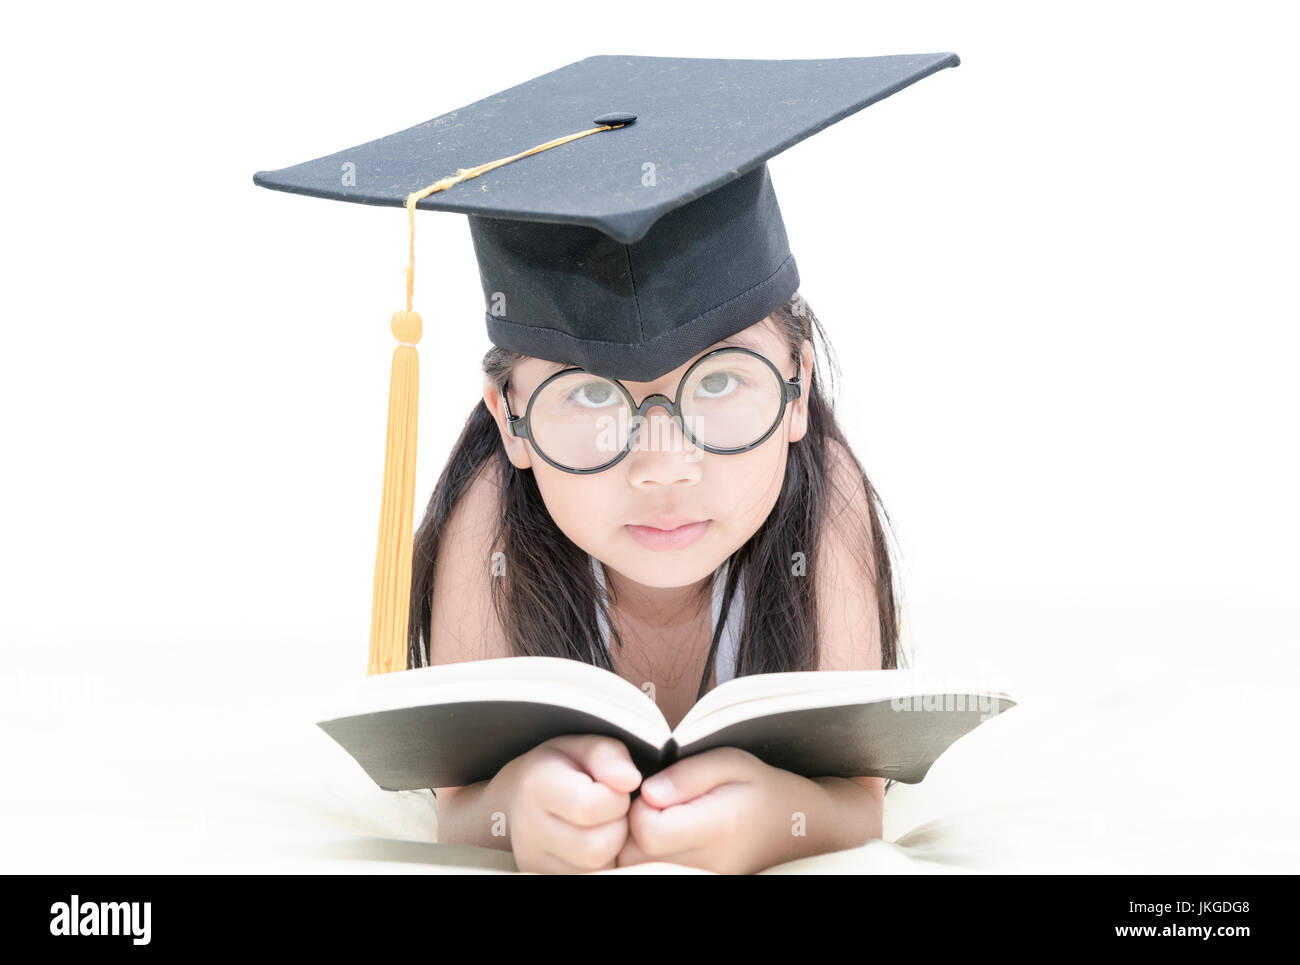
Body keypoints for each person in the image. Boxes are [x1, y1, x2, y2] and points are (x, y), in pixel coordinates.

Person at [253, 51, 959, 873]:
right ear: (510, 422)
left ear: (798, 392)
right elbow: (459, 807)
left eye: (723, 381)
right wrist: (517, 805)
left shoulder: (824, 505)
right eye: (590, 398)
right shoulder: (492, 520)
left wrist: (780, 817)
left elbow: (857, 795)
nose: (663, 466)